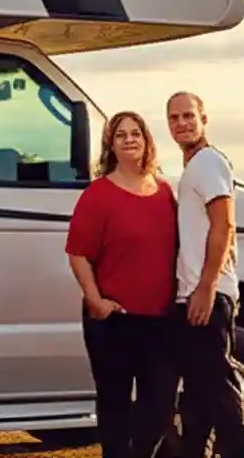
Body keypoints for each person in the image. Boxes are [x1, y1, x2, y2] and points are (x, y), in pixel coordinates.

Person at [65, 110, 180, 458]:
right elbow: (78, 254)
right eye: (121, 135)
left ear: (147, 141)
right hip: (113, 321)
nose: (130, 139)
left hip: (160, 320)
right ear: (110, 146)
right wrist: (96, 301)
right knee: (114, 407)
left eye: (136, 133)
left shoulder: (164, 192)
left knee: (160, 408)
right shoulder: (98, 195)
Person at [165, 90, 244, 458]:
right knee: (199, 398)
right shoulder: (194, 167)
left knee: (219, 391)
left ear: (204, 119)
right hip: (194, 296)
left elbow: (224, 224)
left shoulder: (208, 164)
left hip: (207, 297)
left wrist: (206, 288)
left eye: (189, 116)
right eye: (174, 118)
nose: (182, 123)